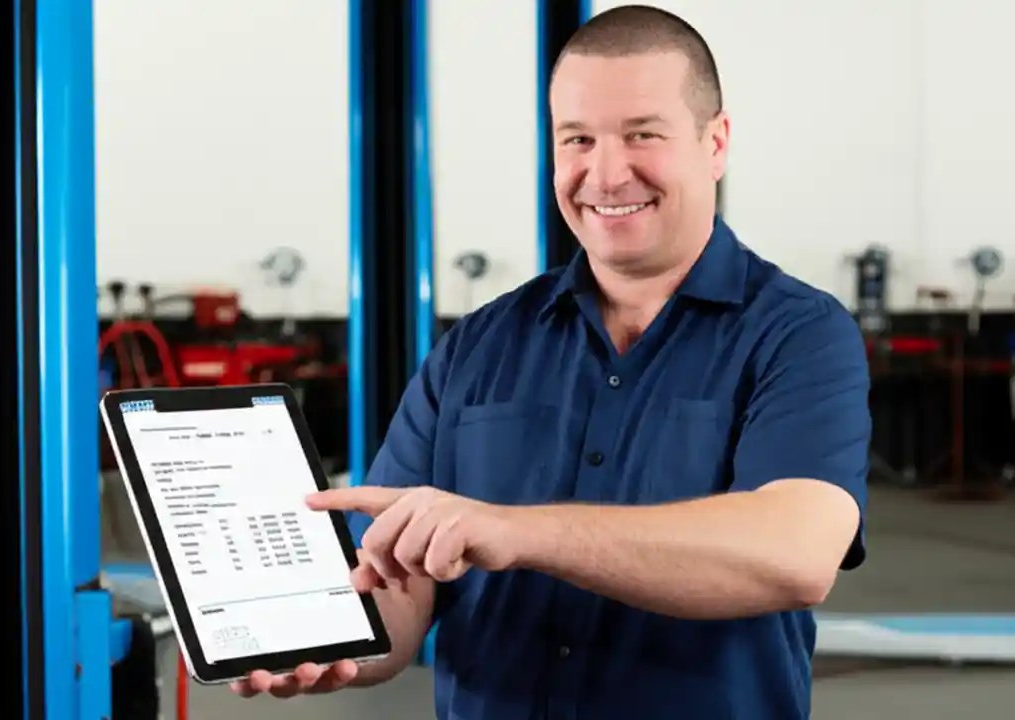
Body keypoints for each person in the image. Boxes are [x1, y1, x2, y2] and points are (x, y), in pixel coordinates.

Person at [231, 5, 870, 718]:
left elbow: (795, 554)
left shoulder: (799, 334)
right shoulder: (479, 345)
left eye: (642, 134)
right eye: (578, 139)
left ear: (714, 142)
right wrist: (332, 643)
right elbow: (396, 583)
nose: (607, 173)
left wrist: (515, 531)